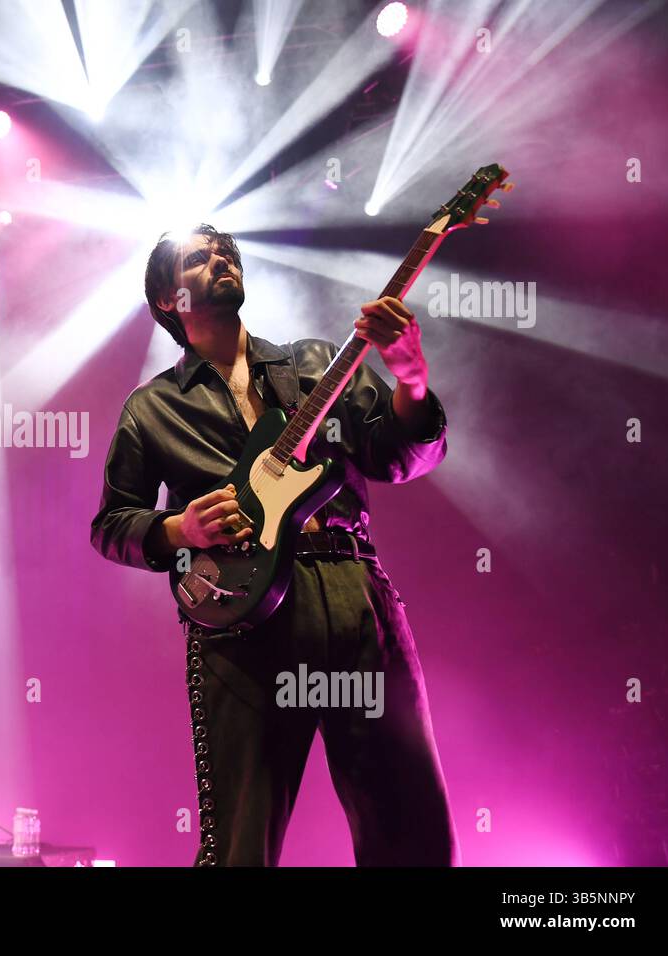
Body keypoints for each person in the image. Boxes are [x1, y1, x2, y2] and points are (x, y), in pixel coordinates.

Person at [90, 224, 458, 866]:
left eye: (225, 252)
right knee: (242, 841)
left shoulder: (318, 363)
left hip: (350, 593)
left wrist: (412, 382)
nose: (219, 259)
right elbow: (111, 525)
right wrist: (181, 530)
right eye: (198, 257)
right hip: (242, 621)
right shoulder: (151, 409)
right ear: (167, 301)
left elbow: (398, 459)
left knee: (412, 827)